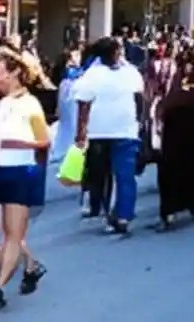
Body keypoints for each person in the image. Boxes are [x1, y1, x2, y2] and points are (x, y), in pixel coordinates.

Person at [0, 53, 50, 313]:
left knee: (13, 235)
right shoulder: (3, 104)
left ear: (14, 73)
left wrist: (18, 144)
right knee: (8, 232)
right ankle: (32, 267)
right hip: (3, 170)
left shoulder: (31, 103)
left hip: (23, 171)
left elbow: (44, 140)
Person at [75, 36, 144, 234]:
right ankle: (122, 215)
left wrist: (80, 132)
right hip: (125, 130)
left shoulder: (91, 75)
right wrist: (139, 122)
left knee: (101, 175)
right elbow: (140, 98)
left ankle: (108, 212)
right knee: (125, 175)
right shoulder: (130, 72)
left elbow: (83, 103)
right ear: (115, 53)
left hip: (99, 132)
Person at [155, 48, 194, 231]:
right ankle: (172, 210)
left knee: (172, 169)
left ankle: (170, 212)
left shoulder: (177, 83)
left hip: (176, 129)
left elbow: (164, 106)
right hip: (177, 128)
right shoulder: (176, 79)